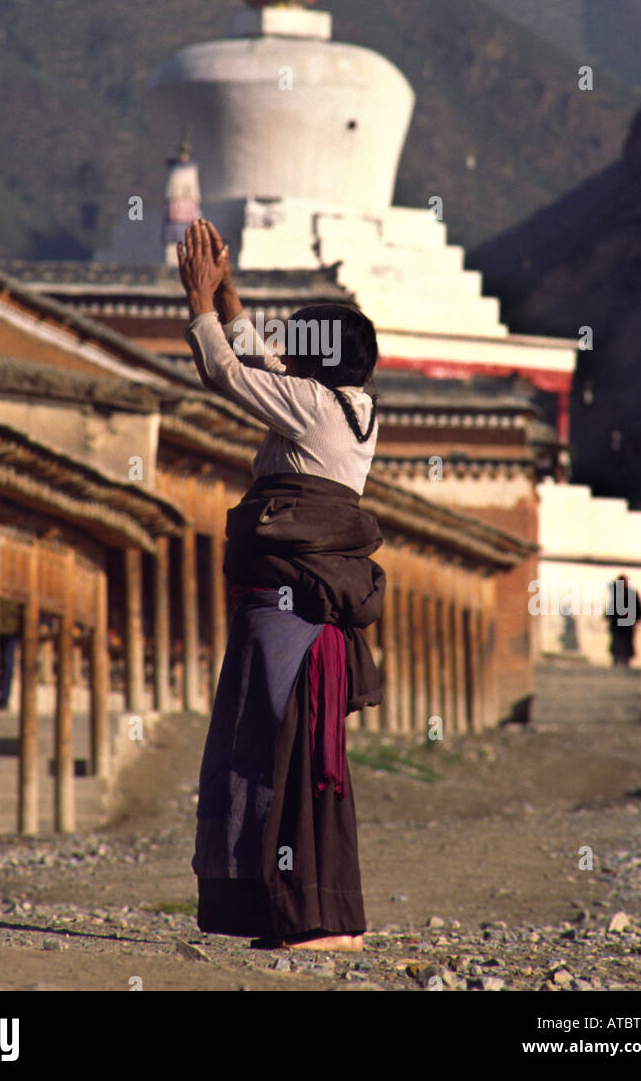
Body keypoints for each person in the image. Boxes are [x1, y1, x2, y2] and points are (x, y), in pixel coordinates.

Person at [177, 220, 384, 953]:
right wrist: (229, 296)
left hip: (289, 621)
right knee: (290, 755)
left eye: (298, 342)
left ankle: (319, 920)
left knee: (288, 757)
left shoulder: (315, 409)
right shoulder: (345, 407)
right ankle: (304, 911)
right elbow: (260, 360)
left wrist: (199, 303)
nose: (285, 349)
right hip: (300, 617)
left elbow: (229, 375)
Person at [605, 573, 641, 667]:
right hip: (619, 630)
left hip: (626, 630)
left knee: (624, 655)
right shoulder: (617, 595)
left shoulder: (630, 595)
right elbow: (609, 613)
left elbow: (640, 612)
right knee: (618, 654)